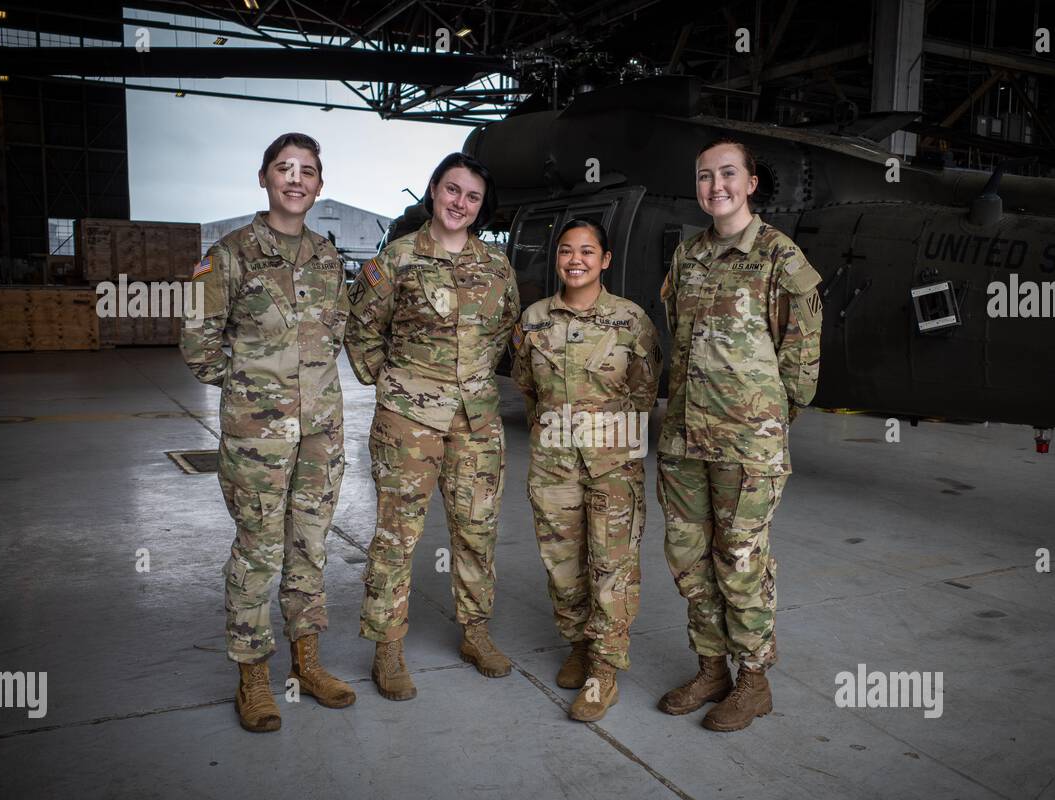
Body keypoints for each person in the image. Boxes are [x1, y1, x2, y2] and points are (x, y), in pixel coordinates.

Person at [181, 132, 355, 733]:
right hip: (259, 440)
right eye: (285, 168)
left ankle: (307, 662)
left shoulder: (329, 260)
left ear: (319, 185)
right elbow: (199, 344)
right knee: (259, 552)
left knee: (310, 547)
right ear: (264, 178)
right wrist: (252, 391)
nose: (296, 179)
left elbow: (335, 337)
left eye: (308, 170)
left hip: (321, 436)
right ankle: (253, 676)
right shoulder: (229, 255)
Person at [656, 137, 824, 732]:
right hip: (683, 441)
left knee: (740, 561)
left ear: (752, 182)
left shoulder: (781, 258)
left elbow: (800, 367)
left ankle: (753, 681)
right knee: (688, 558)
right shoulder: (687, 257)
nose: (715, 186)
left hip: (748, 445)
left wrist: (765, 424)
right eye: (704, 176)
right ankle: (711, 669)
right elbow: (678, 340)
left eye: (728, 174)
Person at [345, 153, 519, 700]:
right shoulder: (395, 260)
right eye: (452, 190)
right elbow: (361, 332)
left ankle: (475, 632)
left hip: (477, 423)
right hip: (409, 423)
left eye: (471, 196)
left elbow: (507, 327)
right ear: (433, 190)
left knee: (477, 531)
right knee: (397, 536)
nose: (459, 202)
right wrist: (396, 388)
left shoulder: (496, 266)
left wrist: (472, 384)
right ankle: (388, 645)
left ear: (479, 207)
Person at [512, 220, 662, 721]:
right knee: (562, 564)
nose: (576, 259)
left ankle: (604, 669)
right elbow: (526, 387)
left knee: (611, 567)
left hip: (613, 464)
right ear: (557, 258)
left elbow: (645, 387)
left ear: (605, 259)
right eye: (566, 251)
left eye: (588, 251)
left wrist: (611, 435)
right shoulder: (533, 319)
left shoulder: (630, 320)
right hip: (554, 461)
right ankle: (578, 643)